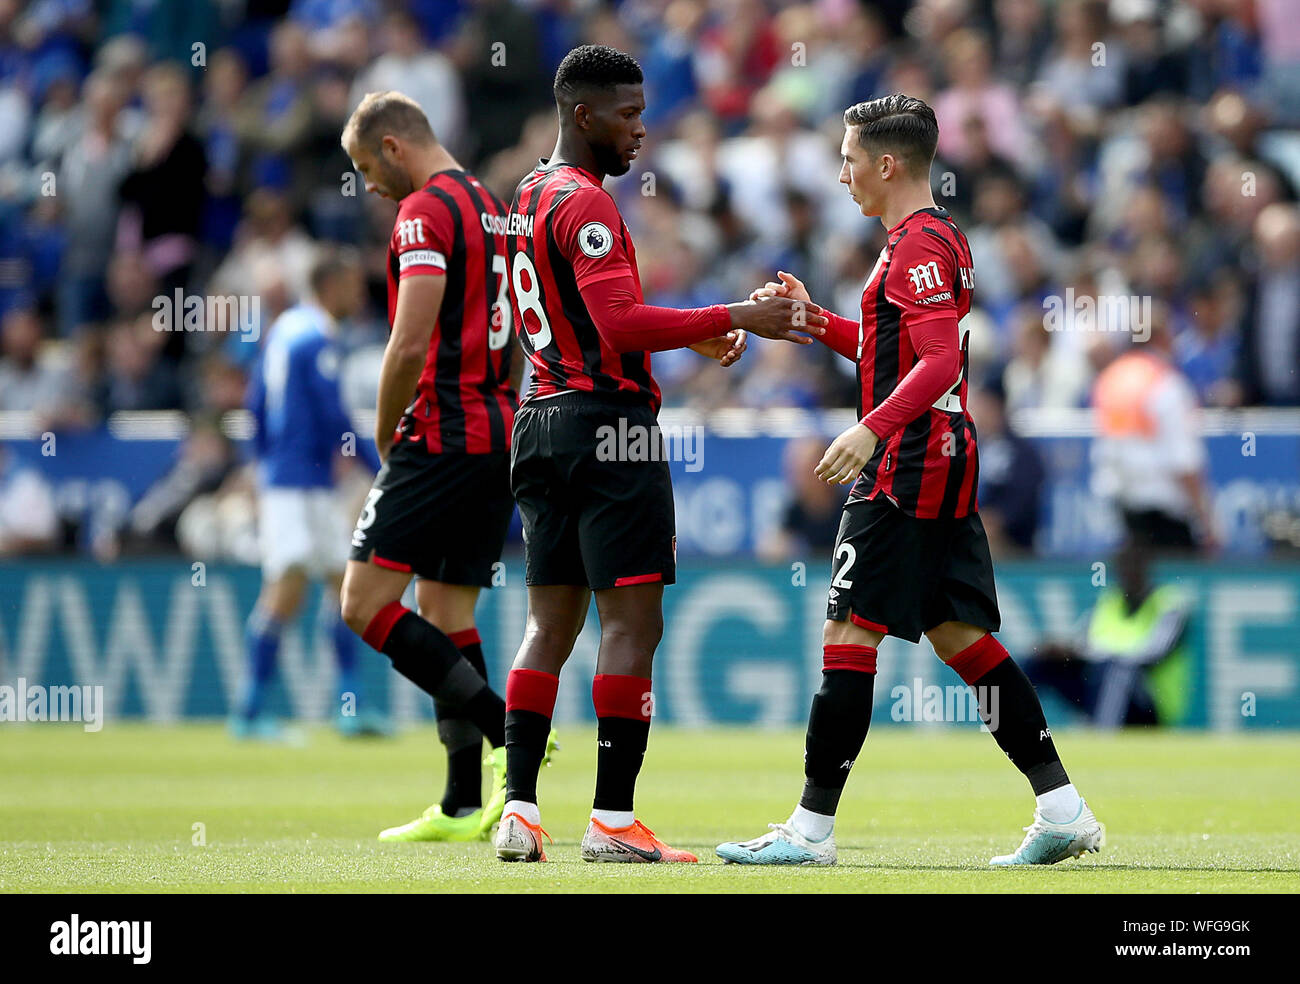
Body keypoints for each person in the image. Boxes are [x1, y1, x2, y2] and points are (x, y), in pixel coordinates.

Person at [717, 93, 1105, 867]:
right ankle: (1063, 807)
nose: (841, 174)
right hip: (939, 453)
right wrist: (814, 321)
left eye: (849, 159)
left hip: (908, 462)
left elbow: (936, 363)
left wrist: (870, 430)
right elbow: (894, 347)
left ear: (887, 163)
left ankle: (810, 830)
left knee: (847, 631)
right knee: (960, 636)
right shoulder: (928, 239)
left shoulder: (918, 246)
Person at [493, 45, 826, 864]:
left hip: (538, 419)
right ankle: (612, 822)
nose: (643, 130)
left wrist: (697, 333)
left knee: (548, 625)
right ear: (583, 115)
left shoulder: (526, 195)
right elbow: (618, 323)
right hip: (610, 427)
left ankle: (519, 811)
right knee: (631, 623)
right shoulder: (589, 208)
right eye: (629, 114)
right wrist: (739, 314)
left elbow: (589, 321)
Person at [338, 91, 546, 844]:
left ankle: (508, 730)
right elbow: (523, 329)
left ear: (395, 147)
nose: (368, 184)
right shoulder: (497, 208)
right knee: (446, 609)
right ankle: (463, 803)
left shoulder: (424, 212)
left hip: (440, 429)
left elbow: (409, 337)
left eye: (366, 167)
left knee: (361, 603)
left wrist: (386, 428)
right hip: (496, 429)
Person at [237, 248, 383, 741]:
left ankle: (348, 706)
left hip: (296, 479)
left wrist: (261, 463)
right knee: (288, 590)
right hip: (298, 484)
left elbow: (255, 403)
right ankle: (251, 711)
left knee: (342, 588)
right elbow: (333, 417)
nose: (359, 295)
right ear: (331, 286)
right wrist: (380, 468)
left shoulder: (285, 330)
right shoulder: (316, 336)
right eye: (353, 286)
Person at [1026, 542, 1191, 728]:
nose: (1127, 572)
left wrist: (1099, 655)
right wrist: (1063, 651)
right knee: (1041, 662)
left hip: (1152, 704)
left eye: (1133, 564)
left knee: (1117, 670)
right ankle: (1010, 728)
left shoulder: (1169, 604)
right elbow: (1084, 643)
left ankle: (1101, 736)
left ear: (1146, 567)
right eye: (1123, 565)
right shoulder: (1111, 600)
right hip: (1104, 682)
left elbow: (1154, 654)